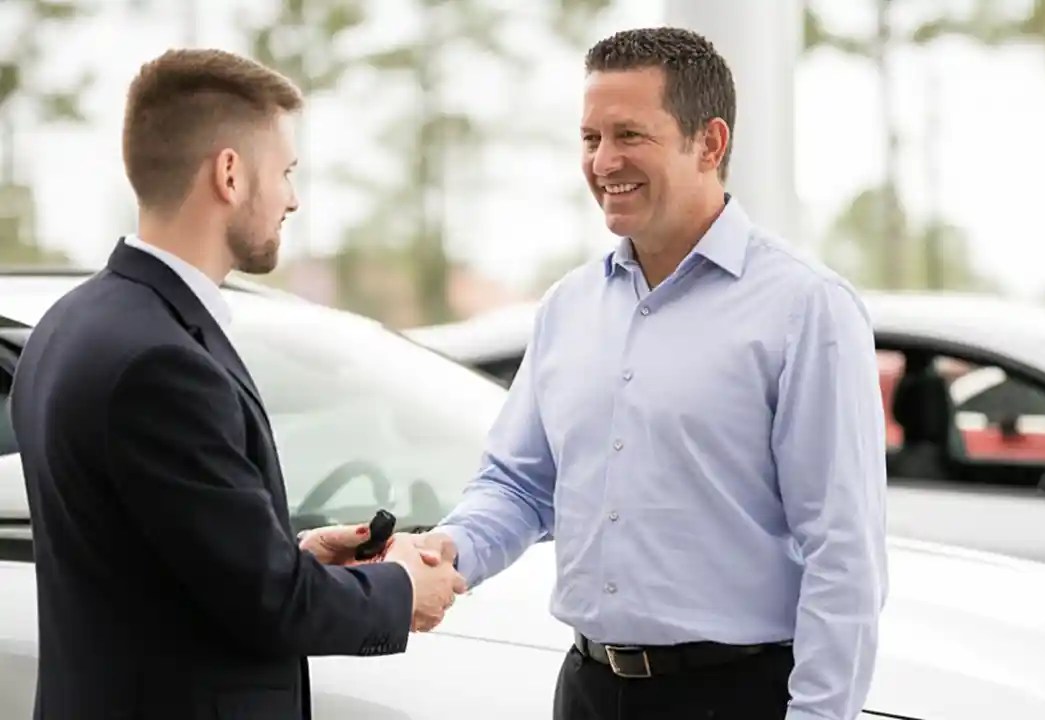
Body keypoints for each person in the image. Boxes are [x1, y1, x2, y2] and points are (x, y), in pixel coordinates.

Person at [415, 27, 888, 720]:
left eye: (629, 134)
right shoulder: (567, 307)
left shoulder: (805, 309)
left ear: (711, 143)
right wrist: (445, 552)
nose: (604, 162)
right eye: (589, 138)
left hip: (735, 697)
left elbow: (842, 553)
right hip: (586, 689)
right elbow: (518, 484)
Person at [8, 48, 464, 720]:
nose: (293, 197)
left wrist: (296, 551)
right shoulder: (160, 363)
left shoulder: (72, 324)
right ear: (229, 172)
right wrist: (400, 590)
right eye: (284, 171)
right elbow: (269, 605)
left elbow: (151, 559)